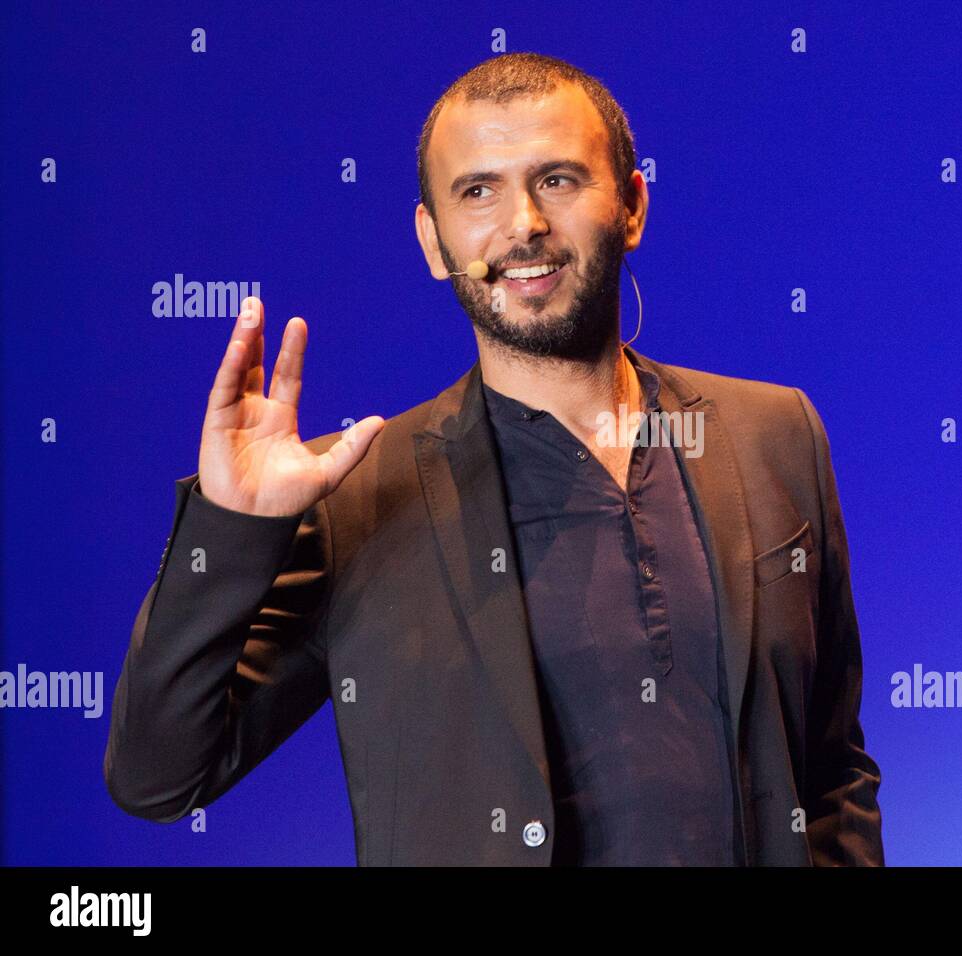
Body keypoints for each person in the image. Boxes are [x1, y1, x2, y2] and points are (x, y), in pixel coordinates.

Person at [103, 51, 884, 866]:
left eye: (558, 179)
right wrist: (230, 527)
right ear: (433, 241)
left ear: (632, 205)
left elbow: (831, 771)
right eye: (478, 191)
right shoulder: (358, 495)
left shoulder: (774, 433)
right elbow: (157, 777)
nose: (523, 225)